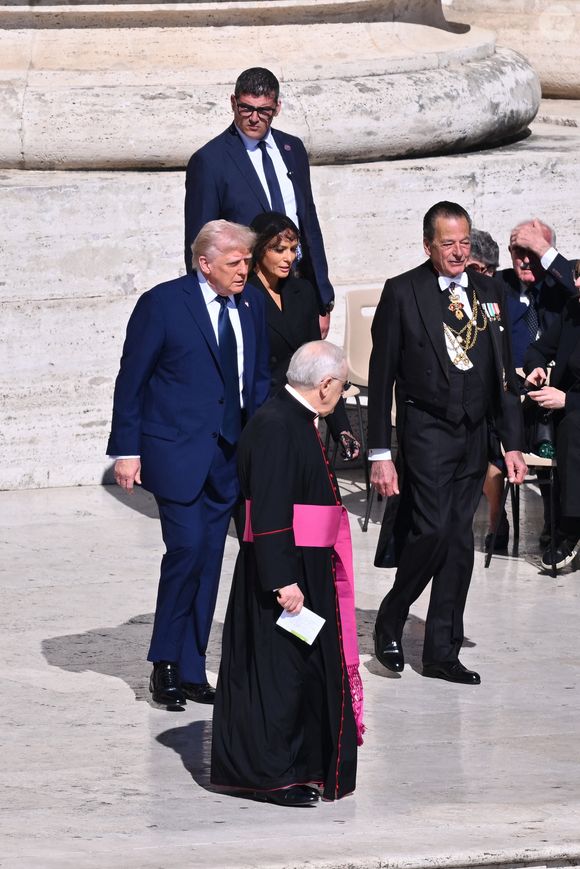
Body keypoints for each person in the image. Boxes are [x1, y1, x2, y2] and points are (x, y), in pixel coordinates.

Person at [107, 220, 271, 708]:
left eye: (246, 261)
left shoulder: (252, 304)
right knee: (186, 553)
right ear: (205, 264)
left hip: (230, 453)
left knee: (211, 559)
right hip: (176, 451)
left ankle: (194, 668)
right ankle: (165, 665)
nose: (245, 270)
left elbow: (256, 379)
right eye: (234, 263)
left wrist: (264, 444)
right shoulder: (163, 303)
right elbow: (131, 379)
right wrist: (126, 450)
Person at [368, 201, 527, 685]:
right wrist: (379, 452)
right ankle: (393, 614)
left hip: (475, 434)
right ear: (428, 246)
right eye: (448, 244)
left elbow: (503, 376)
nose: (459, 252)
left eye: (465, 242)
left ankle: (442, 651)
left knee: (459, 543)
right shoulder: (402, 292)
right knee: (434, 530)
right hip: (427, 429)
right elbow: (380, 379)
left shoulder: (489, 289)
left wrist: (511, 443)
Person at [211, 341, 362, 806]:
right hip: (286, 573)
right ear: (325, 385)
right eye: (342, 385)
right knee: (280, 676)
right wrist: (283, 580)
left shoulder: (291, 417)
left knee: (300, 672)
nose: (342, 394)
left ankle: (302, 766)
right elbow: (270, 506)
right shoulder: (278, 426)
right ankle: (274, 776)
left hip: (304, 562)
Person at [185, 67, 335, 337]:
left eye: (263, 110)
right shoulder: (209, 161)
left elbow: (309, 223)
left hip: (298, 288)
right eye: (246, 108)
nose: (254, 118)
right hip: (248, 293)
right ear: (233, 102)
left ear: (277, 108)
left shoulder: (293, 149)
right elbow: (200, 244)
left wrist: (323, 299)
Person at [248, 211, 360, 461]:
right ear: (259, 249)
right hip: (261, 417)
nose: (288, 258)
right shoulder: (242, 296)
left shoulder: (303, 291)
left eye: (293, 249)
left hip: (301, 415)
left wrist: (341, 428)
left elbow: (320, 366)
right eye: (279, 249)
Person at [499, 218, 578, 545]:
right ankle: (496, 522)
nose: (526, 259)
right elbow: (537, 349)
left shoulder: (563, 294)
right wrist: (531, 366)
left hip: (552, 395)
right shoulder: (498, 285)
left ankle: (560, 523)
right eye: (520, 251)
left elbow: (569, 281)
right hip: (508, 382)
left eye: (534, 252)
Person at [524, 267, 580, 571]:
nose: (578, 283)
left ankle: (569, 529)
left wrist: (568, 400)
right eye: (578, 274)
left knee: (573, 427)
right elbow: (538, 348)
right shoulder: (574, 309)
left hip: (572, 412)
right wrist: (536, 366)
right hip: (563, 410)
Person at [466, 228, 508, 550]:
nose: (486, 276)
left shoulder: (498, 293)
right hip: (463, 394)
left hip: (502, 389)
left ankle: (496, 517)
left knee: (494, 450)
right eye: (480, 269)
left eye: (491, 270)